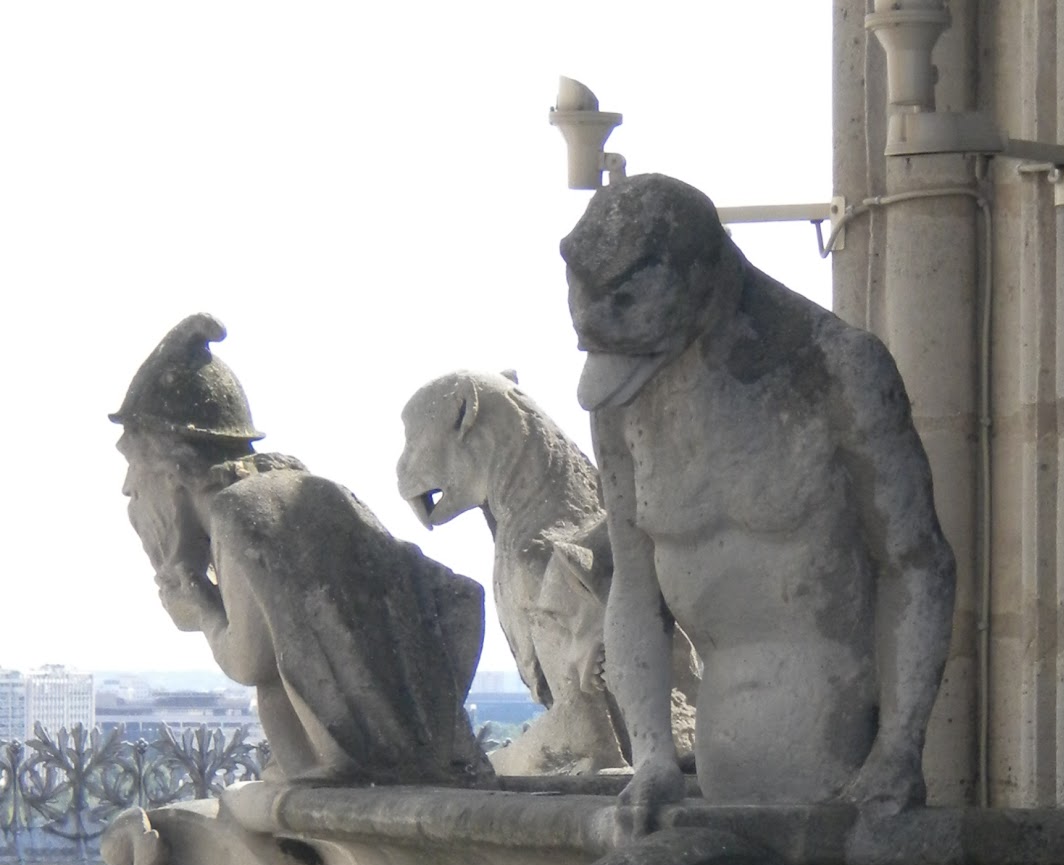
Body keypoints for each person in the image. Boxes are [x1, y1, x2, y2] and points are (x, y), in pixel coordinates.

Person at [561, 174, 956, 826]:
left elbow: (916, 562)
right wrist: (653, 754)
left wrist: (900, 747)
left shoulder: (836, 369)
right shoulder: (625, 394)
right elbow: (634, 589)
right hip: (717, 760)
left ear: (697, 281)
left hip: (843, 758)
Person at [111, 314, 488, 785]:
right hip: (418, 755)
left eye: (134, 475)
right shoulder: (299, 490)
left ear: (172, 473)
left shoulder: (238, 513)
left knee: (264, 716)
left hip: (364, 773)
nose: (129, 489)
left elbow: (250, 661)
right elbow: (455, 596)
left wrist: (201, 609)